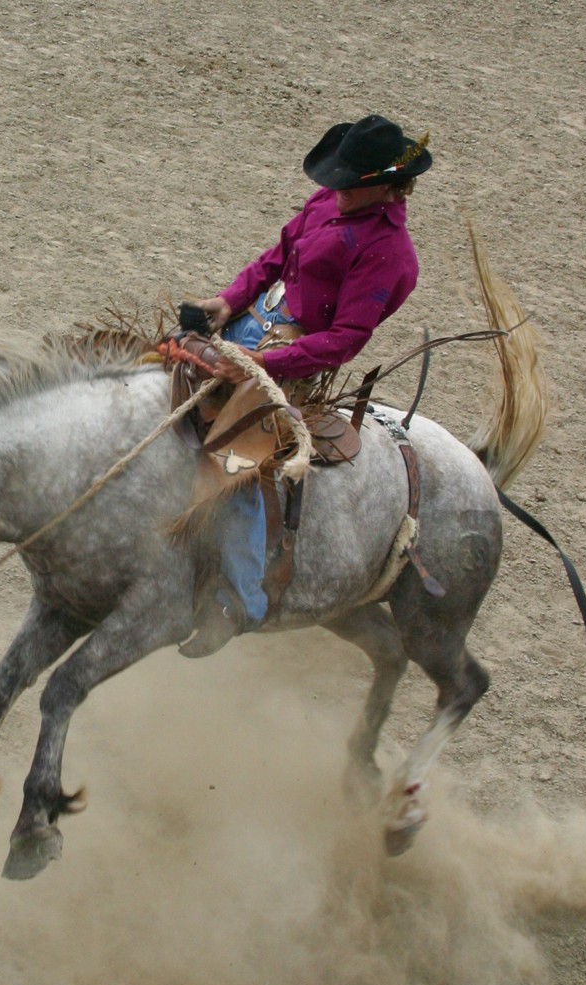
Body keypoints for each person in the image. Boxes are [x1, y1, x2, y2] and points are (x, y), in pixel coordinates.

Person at [179, 114, 432, 658]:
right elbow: (278, 255)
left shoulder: (390, 253)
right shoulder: (331, 200)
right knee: (164, 368)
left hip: (292, 363)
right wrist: (229, 299)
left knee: (239, 460)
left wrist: (260, 367)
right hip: (251, 325)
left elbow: (343, 339)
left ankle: (240, 599)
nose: (338, 190)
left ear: (388, 188)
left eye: (352, 183)